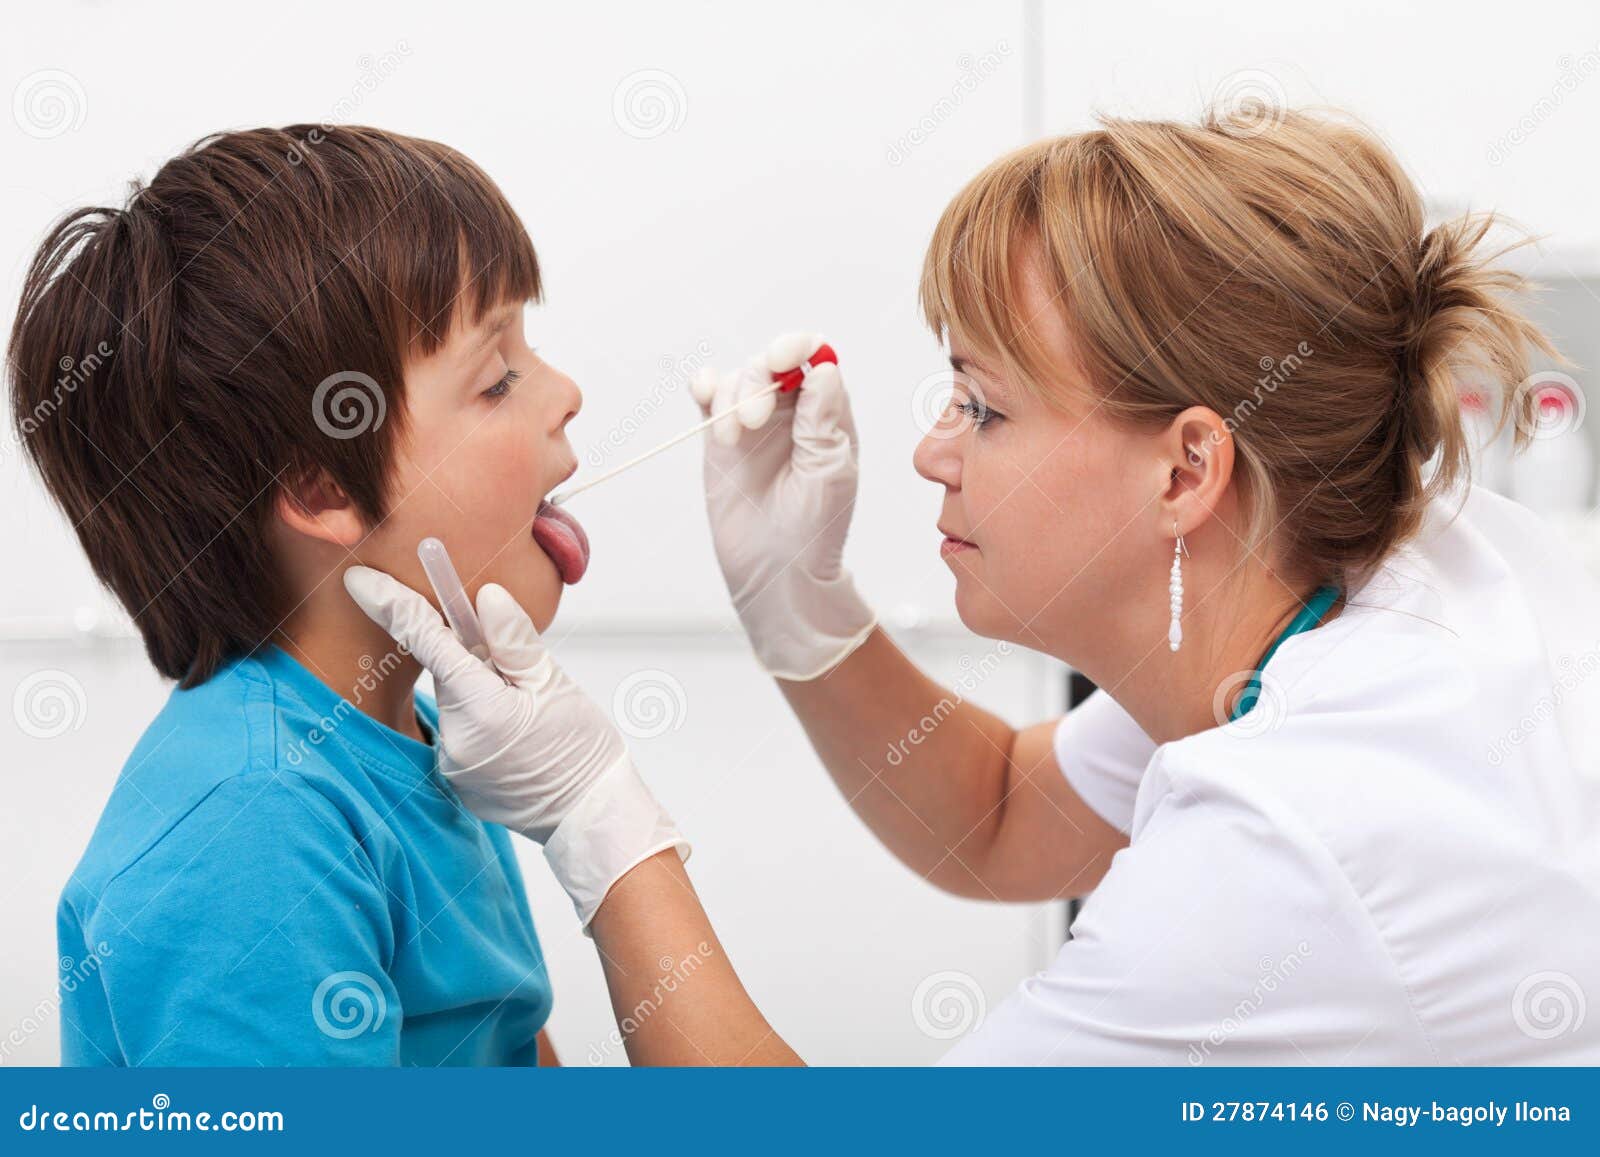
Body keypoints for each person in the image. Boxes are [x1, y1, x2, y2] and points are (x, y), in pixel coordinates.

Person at [348, 104, 1600, 1065]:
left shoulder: (1292, 845)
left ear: (1187, 470)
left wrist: (598, 816)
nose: (930, 452)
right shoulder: (1355, 553)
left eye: (983, 406)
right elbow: (1001, 814)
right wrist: (800, 608)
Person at [7, 125, 641, 1064]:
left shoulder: (423, 734)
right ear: (323, 488)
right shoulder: (252, 828)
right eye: (497, 378)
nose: (567, 392)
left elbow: (506, 1049)